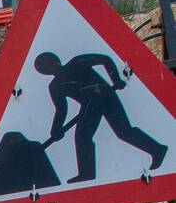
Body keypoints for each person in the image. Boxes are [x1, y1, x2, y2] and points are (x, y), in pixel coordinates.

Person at [34, 50, 167, 185]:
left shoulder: (77, 62)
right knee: (83, 136)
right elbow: (61, 109)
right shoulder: (55, 86)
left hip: (105, 95)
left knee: (122, 131)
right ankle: (87, 173)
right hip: (89, 105)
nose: (47, 68)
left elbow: (105, 59)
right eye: (43, 68)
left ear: (55, 61)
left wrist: (115, 79)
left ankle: (157, 149)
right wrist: (56, 129)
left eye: (47, 64)